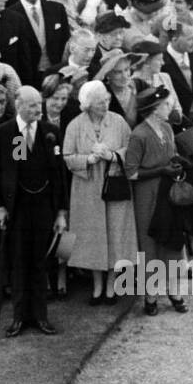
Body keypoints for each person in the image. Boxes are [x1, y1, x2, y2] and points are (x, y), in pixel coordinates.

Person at [0, 85, 67, 337]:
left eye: (38, 104)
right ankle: (19, 317)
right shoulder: (5, 134)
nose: (37, 109)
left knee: (40, 262)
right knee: (18, 262)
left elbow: (59, 174)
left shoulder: (50, 133)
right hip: (16, 210)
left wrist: (61, 212)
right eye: (31, 105)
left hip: (43, 209)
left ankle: (40, 316)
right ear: (18, 105)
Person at [62, 79, 136, 304]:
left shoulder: (119, 121)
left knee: (115, 232)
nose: (105, 105)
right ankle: (96, 285)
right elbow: (66, 157)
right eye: (99, 102)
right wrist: (88, 159)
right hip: (86, 187)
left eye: (106, 100)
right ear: (87, 105)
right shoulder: (75, 125)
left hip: (114, 183)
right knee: (92, 237)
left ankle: (112, 284)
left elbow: (130, 149)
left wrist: (112, 156)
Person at [124, 85, 190, 315]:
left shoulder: (167, 129)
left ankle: (174, 292)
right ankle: (151, 296)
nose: (169, 107)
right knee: (150, 241)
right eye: (165, 104)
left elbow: (170, 155)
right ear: (153, 108)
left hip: (168, 192)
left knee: (171, 237)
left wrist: (178, 163)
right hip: (147, 195)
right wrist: (161, 170)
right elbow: (131, 171)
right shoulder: (138, 135)